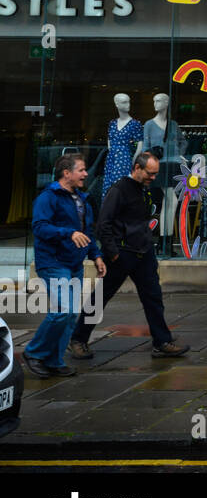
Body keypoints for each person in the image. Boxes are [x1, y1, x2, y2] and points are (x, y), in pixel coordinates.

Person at [68, 153, 189, 359]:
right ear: (137, 168)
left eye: (155, 174)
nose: (153, 178)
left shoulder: (143, 189)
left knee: (153, 298)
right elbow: (104, 224)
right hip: (123, 254)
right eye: (150, 173)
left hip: (143, 252)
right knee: (101, 298)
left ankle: (162, 341)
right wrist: (113, 254)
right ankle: (78, 339)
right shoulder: (119, 190)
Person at [24, 154, 106, 377]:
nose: (86, 174)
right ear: (66, 173)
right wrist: (68, 233)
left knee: (70, 315)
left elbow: (87, 232)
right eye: (81, 170)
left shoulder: (81, 199)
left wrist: (96, 256)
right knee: (64, 310)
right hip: (53, 262)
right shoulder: (48, 197)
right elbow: (40, 227)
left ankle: (54, 360)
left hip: (74, 265)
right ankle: (34, 352)